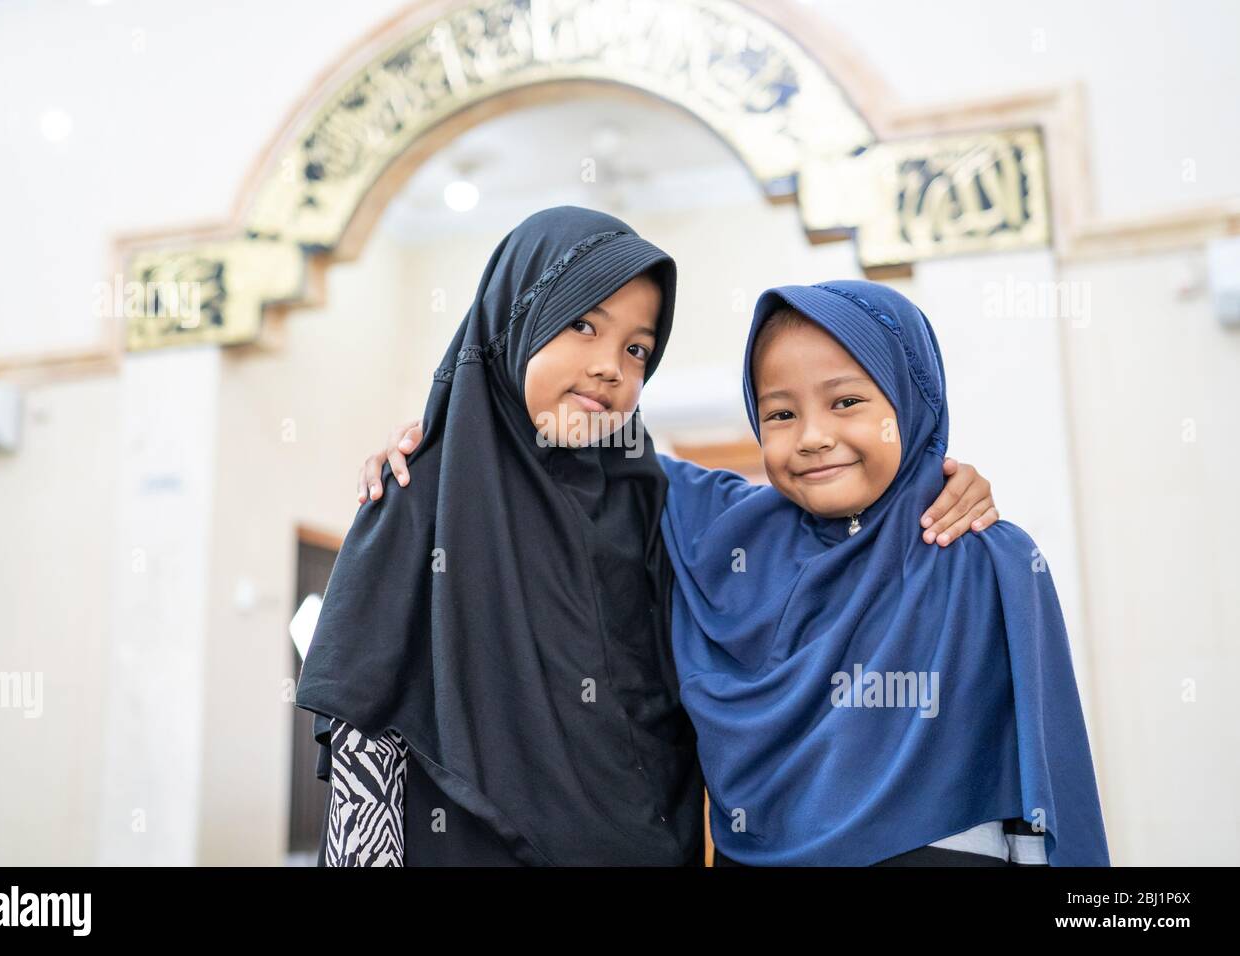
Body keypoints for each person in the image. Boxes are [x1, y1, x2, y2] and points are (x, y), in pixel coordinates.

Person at [327, 210, 1001, 866]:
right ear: (513, 320)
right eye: (582, 323)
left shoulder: (656, 495)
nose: (609, 366)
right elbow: (364, 735)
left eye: (637, 348)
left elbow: (819, 508)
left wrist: (932, 482)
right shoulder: (415, 500)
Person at [659, 280, 1109, 866]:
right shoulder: (727, 542)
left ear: (910, 400)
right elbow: (586, 450)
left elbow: (1045, 770)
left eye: (846, 402)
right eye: (781, 413)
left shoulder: (981, 559)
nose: (813, 437)